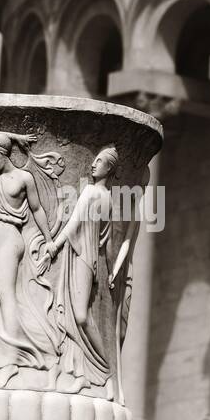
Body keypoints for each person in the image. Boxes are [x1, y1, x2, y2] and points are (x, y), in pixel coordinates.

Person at [0, 131, 62, 387]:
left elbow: (37, 209)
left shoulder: (23, 178)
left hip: (8, 241)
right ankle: (23, 353)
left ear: (1, 154)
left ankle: (11, 362)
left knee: (6, 299)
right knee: (3, 299)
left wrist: (49, 239)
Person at [47, 145, 119, 394]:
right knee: (75, 315)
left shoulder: (93, 193)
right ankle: (81, 373)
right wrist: (110, 271)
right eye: (94, 160)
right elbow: (105, 241)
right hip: (82, 256)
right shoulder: (104, 196)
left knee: (79, 316)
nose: (93, 164)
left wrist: (53, 246)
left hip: (82, 257)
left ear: (109, 168)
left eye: (99, 161)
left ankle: (106, 372)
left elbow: (75, 225)